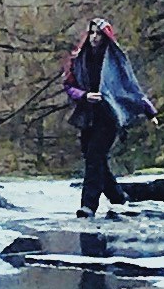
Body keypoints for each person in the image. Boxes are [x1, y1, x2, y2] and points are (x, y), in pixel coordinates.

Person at [63, 15, 154, 217]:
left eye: (99, 34)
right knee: (94, 158)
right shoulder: (79, 59)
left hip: (108, 115)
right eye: (92, 33)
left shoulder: (115, 60)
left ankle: (88, 205)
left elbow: (131, 88)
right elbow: (69, 86)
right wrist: (85, 96)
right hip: (87, 114)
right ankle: (118, 197)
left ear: (106, 37)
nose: (95, 37)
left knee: (95, 157)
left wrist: (149, 111)